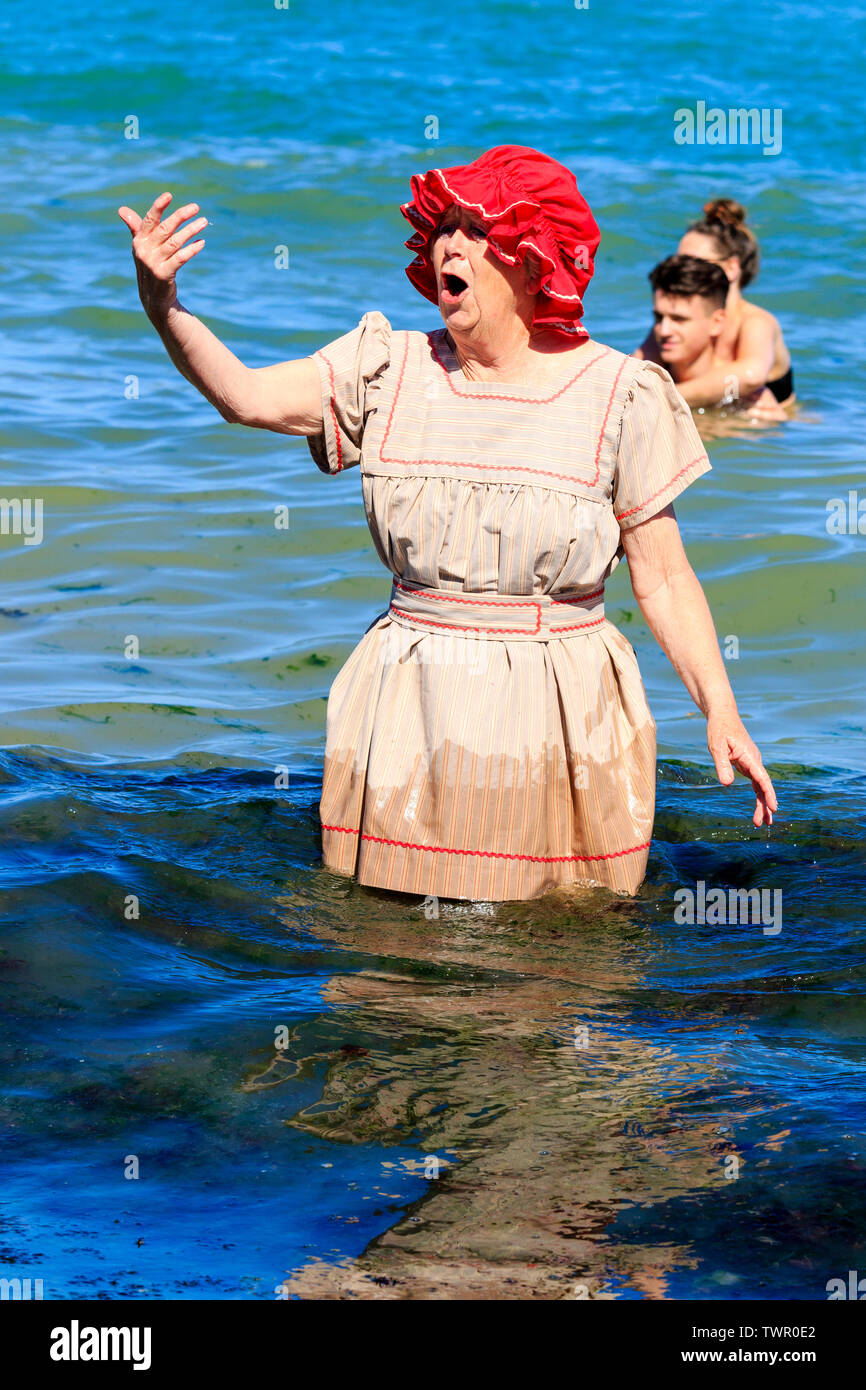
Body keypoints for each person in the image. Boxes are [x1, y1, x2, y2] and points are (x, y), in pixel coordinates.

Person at [118, 145, 776, 903]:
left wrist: (720, 711)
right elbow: (245, 397)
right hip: (409, 706)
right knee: (391, 957)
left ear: (533, 263)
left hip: (559, 715)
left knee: (558, 959)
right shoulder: (388, 369)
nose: (449, 247)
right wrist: (161, 303)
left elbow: (662, 576)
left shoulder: (619, 393)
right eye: (442, 229)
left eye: (476, 230)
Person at [636, 198, 794, 411]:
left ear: (731, 268)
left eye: (695, 261)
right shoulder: (673, 319)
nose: (683, 268)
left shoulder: (755, 322)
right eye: (679, 260)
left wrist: (665, 400)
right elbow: (635, 372)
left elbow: (750, 376)